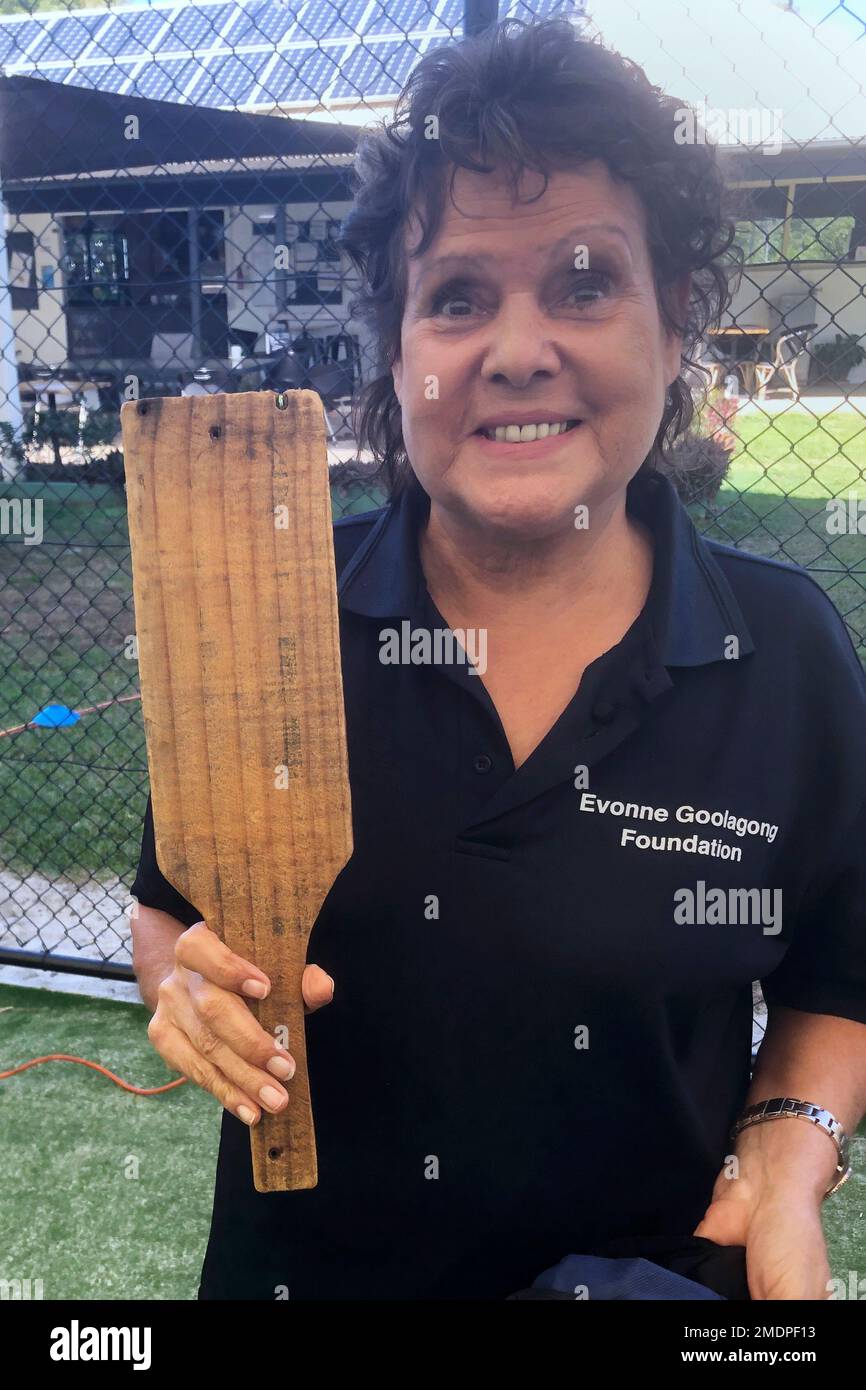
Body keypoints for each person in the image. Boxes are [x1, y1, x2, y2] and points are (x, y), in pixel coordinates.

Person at [130, 18, 866, 1300]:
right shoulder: (268, 617)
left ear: (672, 318)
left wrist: (787, 1145)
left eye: (584, 283)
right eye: (458, 295)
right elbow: (168, 911)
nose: (516, 349)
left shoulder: (784, 651)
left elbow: (838, 980)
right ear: (400, 345)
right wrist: (186, 995)